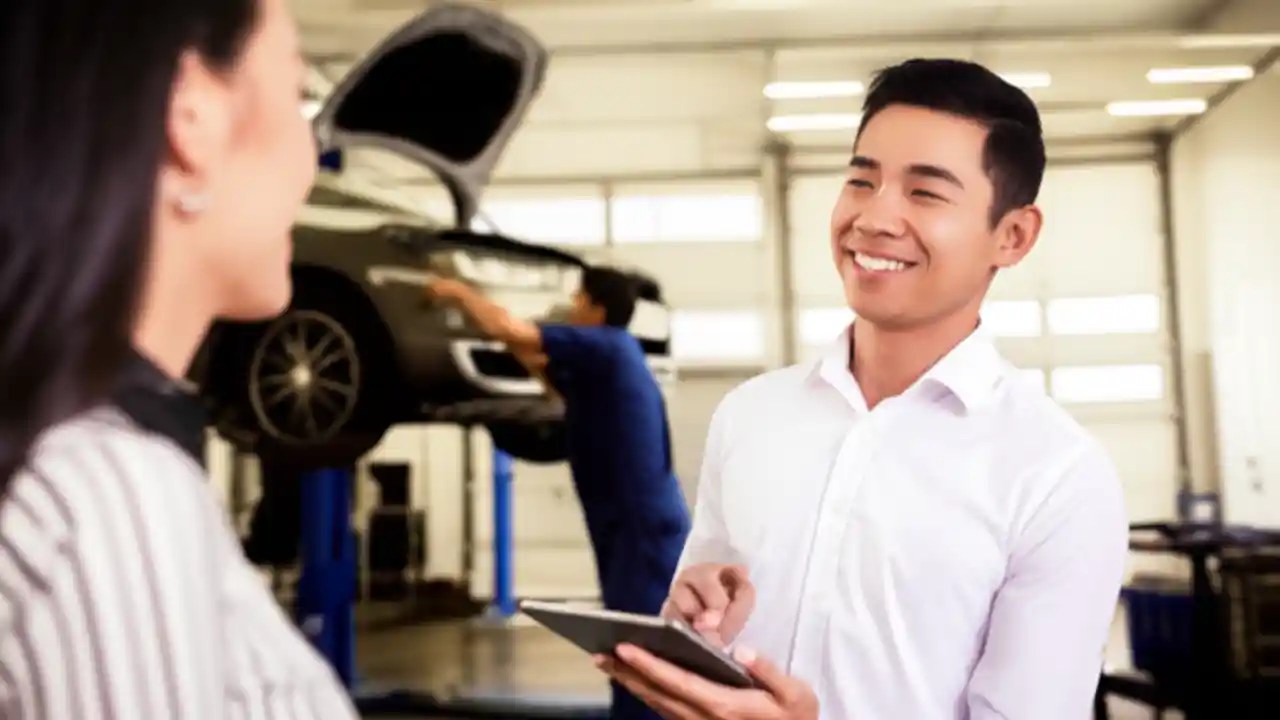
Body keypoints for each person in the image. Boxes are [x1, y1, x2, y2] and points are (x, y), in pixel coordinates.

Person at [597, 58, 1129, 720]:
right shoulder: (752, 415)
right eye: (861, 179)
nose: (874, 218)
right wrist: (695, 622)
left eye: (925, 193)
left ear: (1012, 236)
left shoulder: (1056, 476)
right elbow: (705, 617)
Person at [0, 0, 358, 717]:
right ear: (190, 116)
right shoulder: (105, 494)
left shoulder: (61, 460)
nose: (308, 164)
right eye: (297, 96)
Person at [427, 266, 691, 720]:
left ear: (595, 308)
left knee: (640, 653)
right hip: (627, 526)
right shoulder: (606, 361)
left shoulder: (608, 345)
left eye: (577, 300)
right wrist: (492, 322)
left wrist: (457, 292)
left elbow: (513, 330)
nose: (570, 308)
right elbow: (538, 365)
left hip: (640, 531)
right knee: (629, 650)